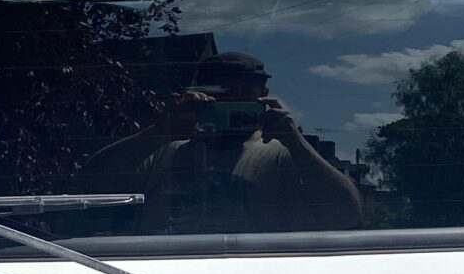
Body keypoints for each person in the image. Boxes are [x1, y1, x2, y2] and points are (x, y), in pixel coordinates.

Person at [78, 52, 364, 234]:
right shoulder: (164, 148)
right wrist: (159, 132)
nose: (232, 105)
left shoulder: (283, 155)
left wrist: (297, 144)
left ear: (264, 96)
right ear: (198, 95)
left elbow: (347, 217)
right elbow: (85, 192)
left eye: (244, 96)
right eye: (221, 95)